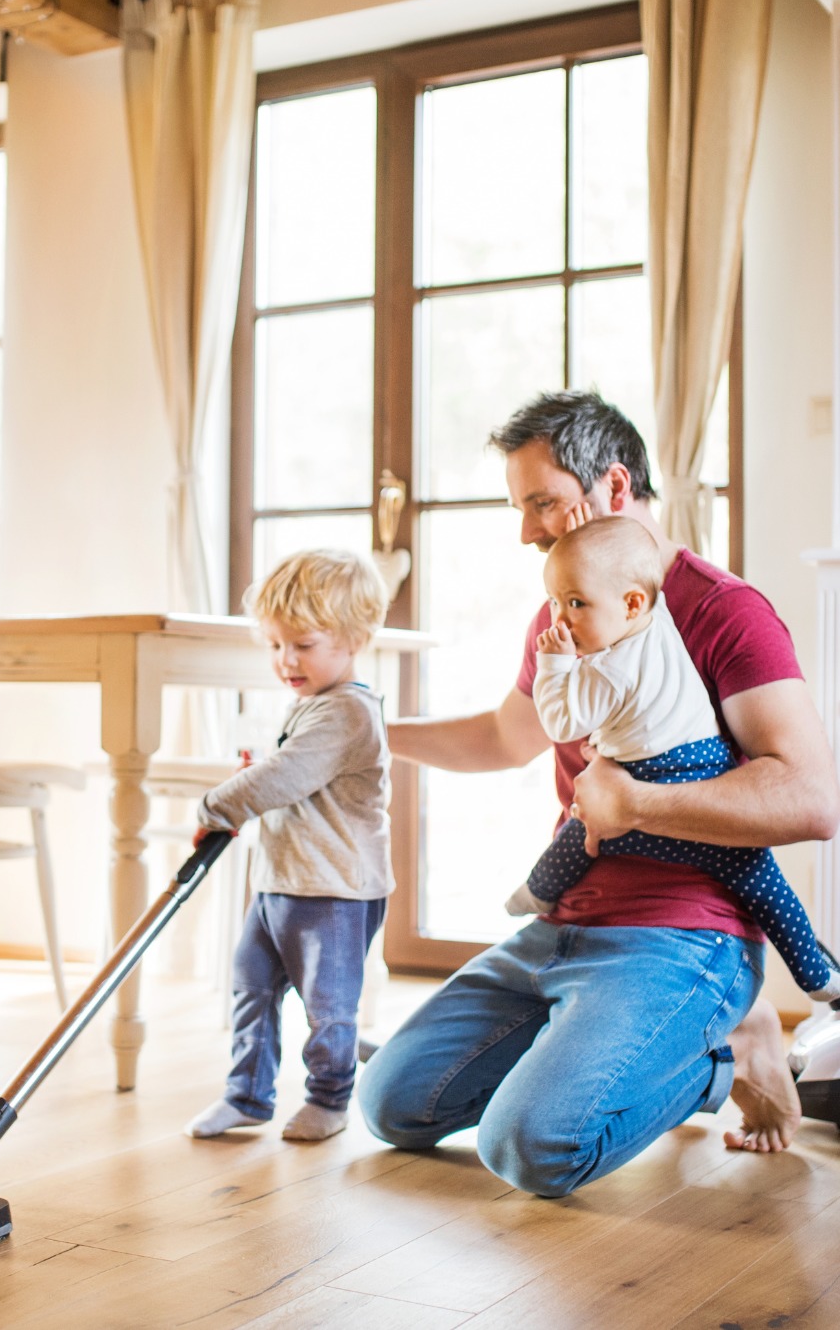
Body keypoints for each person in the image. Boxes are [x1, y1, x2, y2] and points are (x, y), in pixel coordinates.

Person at [358, 389, 840, 1196]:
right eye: (520, 509)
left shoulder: (725, 612)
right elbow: (502, 739)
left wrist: (640, 806)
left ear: (615, 489)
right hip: (564, 924)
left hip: (684, 934)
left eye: (541, 503)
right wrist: (368, 730)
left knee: (531, 1148)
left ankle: (724, 1052)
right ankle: (608, 1043)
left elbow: (810, 800)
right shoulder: (564, 614)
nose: (525, 531)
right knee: (392, 1107)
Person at [504, 514, 840, 1002]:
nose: (558, 620)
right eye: (555, 601)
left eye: (574, 603)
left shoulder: (611, 670)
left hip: (649, 777)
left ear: (631, 602)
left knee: (582, 835)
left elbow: (561, 723)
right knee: (763, 885)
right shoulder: (655, 617)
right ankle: (818, 975)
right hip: (705, 761)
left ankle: (537, 891)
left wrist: (555, 665)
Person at [185, 548, 393, 1143]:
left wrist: (215, 805)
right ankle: (247, 1095)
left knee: (327, 1005)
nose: (285, 660)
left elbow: (282, 778)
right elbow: (283, 774)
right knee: (251, 981)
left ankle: (329, 1099)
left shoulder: (349, 712)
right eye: (275, 645)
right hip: (280, 879)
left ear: (355, 638)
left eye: (302, 644)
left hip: (333, 890)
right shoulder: (312, 704)